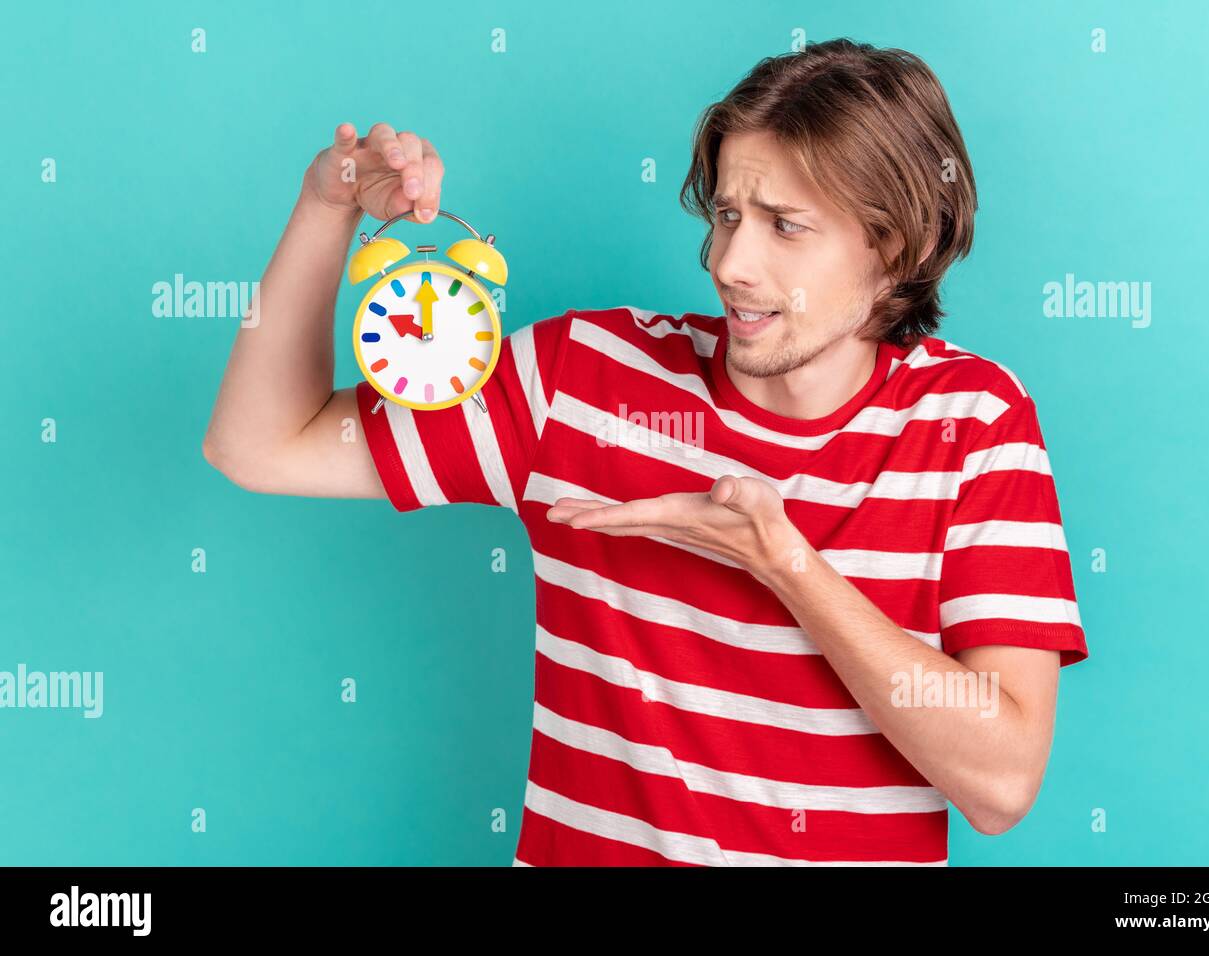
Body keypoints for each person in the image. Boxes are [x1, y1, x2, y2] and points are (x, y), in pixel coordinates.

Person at [203, 38, 1089, 866]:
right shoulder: (579, 380)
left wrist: (785, 566)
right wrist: (327, 206)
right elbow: (259, 445)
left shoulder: (972, 424)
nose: (730, 261)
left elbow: (1002, 783)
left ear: (900, 246)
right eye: (729, 213)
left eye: (785, 225)